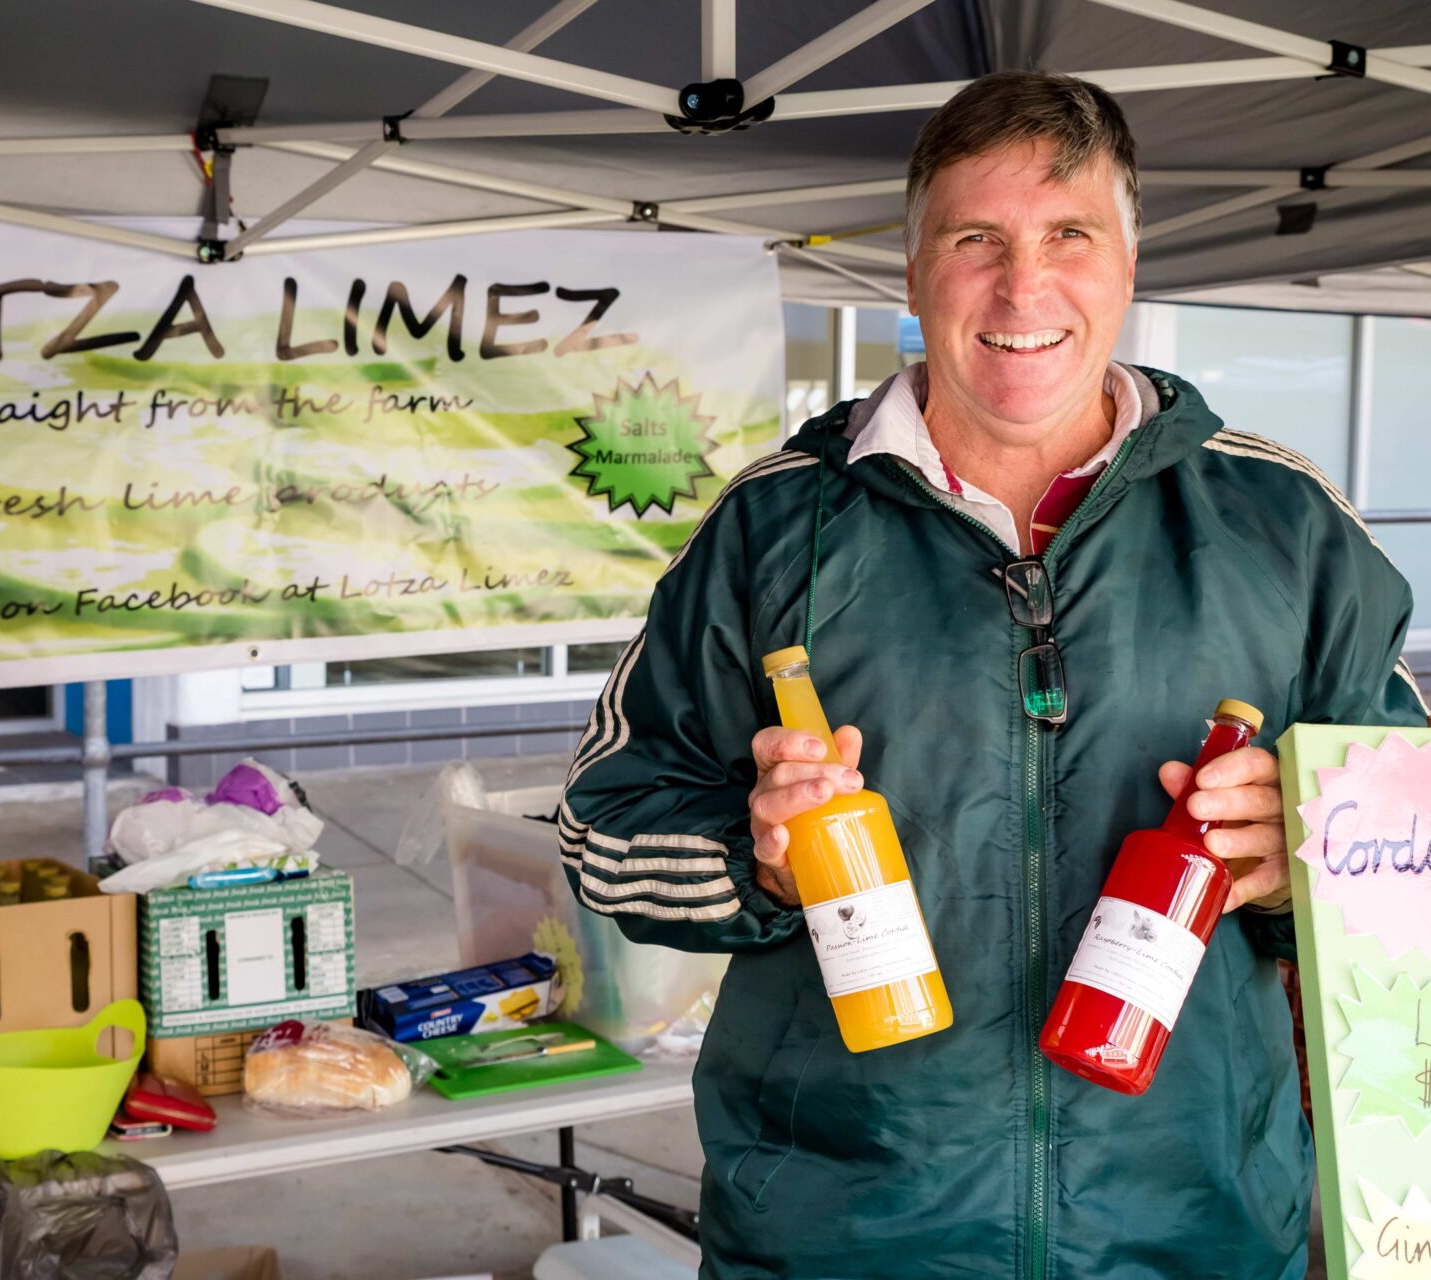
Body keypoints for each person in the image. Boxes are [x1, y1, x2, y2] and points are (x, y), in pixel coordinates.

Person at [560, 70, 1426, 1280]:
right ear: (914, 269)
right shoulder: (771, 529)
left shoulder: (1285, 523)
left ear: (1126, 260)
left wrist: (1305, 864)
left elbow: (1410, 861)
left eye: (1068, 234)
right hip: (845, 1240)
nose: (1024, 287)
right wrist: (755, 856)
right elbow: (603, 828)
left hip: (1195, 1234)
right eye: (978, 240)